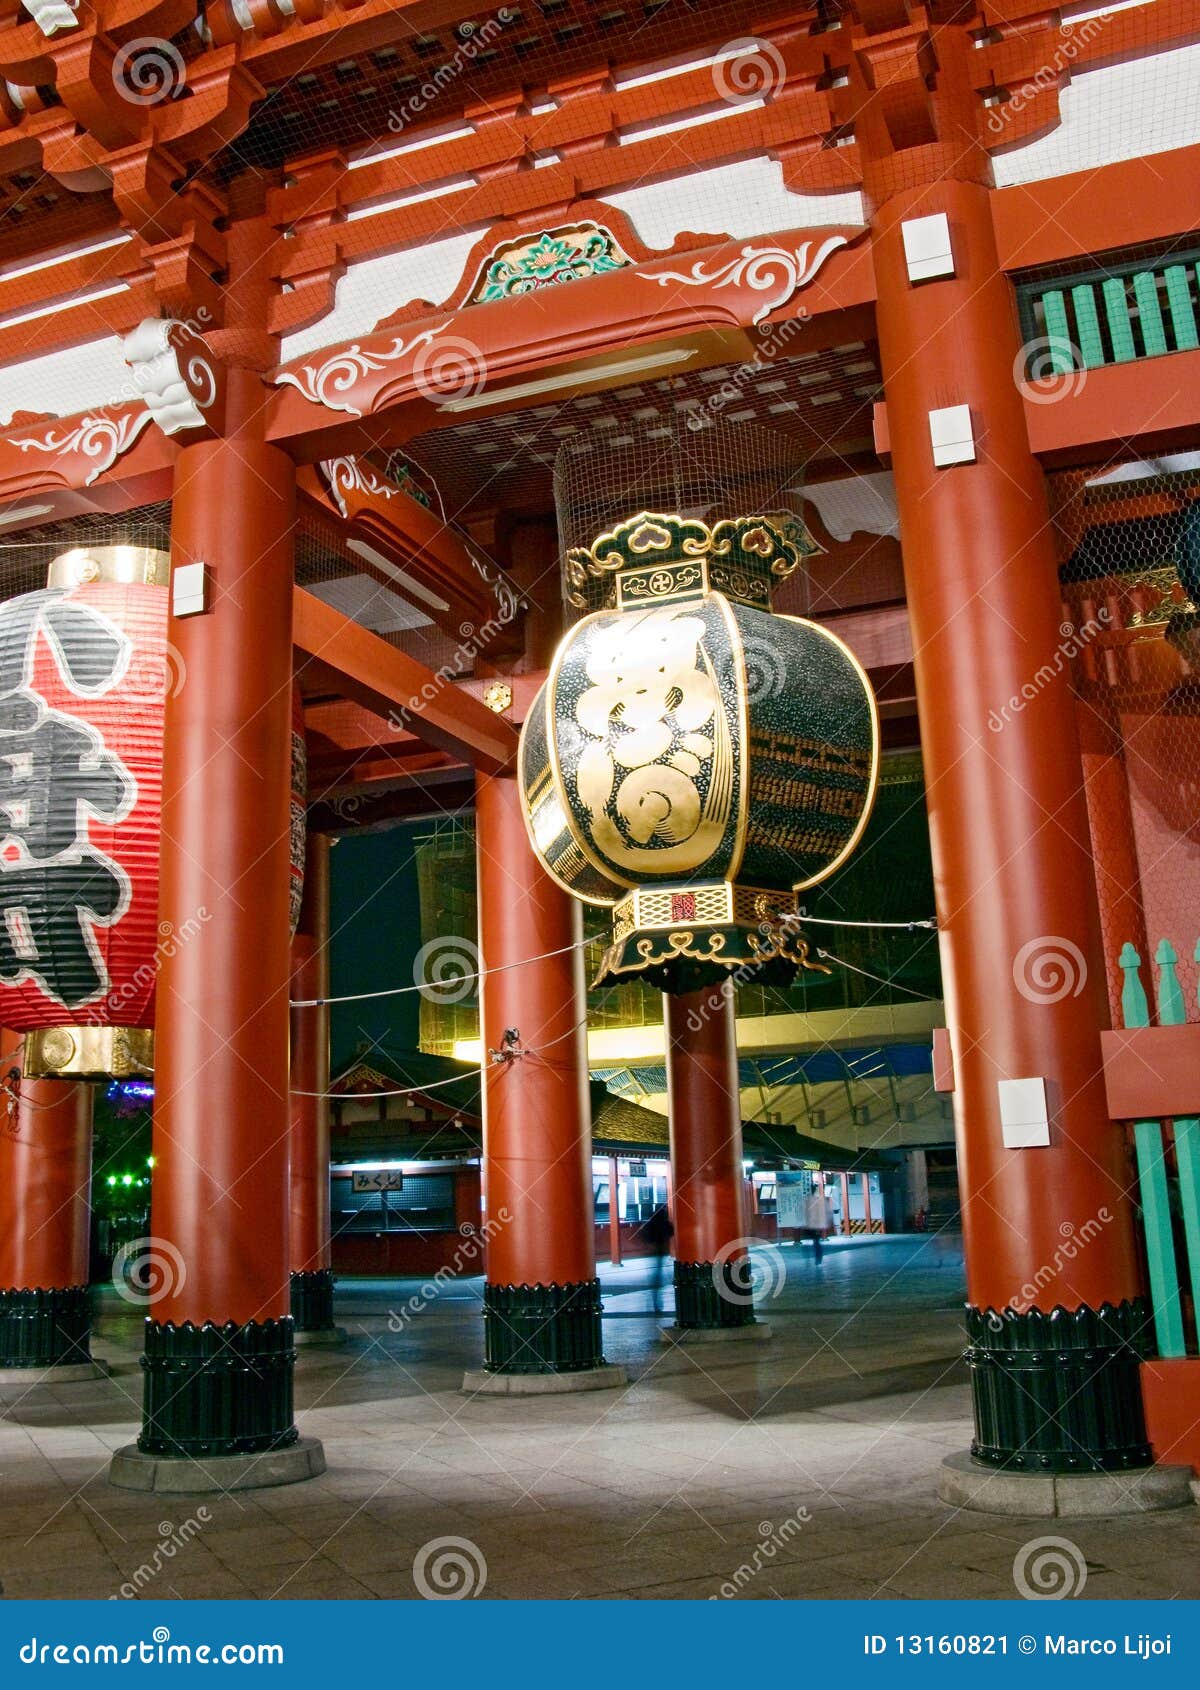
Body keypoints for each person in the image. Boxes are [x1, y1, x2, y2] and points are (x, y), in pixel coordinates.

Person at [642, 1203, 674, 1315]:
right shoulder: (664, 1222)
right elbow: (671, 1231)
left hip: (652, 1253)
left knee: (655, 1276)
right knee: (660, 1276)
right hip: (661, 1252)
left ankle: (655, 1299)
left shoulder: (651, 1222)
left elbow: (645, 1235)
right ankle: (657, 1301)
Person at [802, 1183, 834, 1264]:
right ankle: (818, 1259)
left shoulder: (807, 1201)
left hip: (809, 1225)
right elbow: (828, 1212)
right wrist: (828, 1222)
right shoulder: (819, 1200)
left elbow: (803, 1213)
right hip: (817, 1226)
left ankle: (808, 1259)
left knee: (808, 1243)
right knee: (816, 1242)